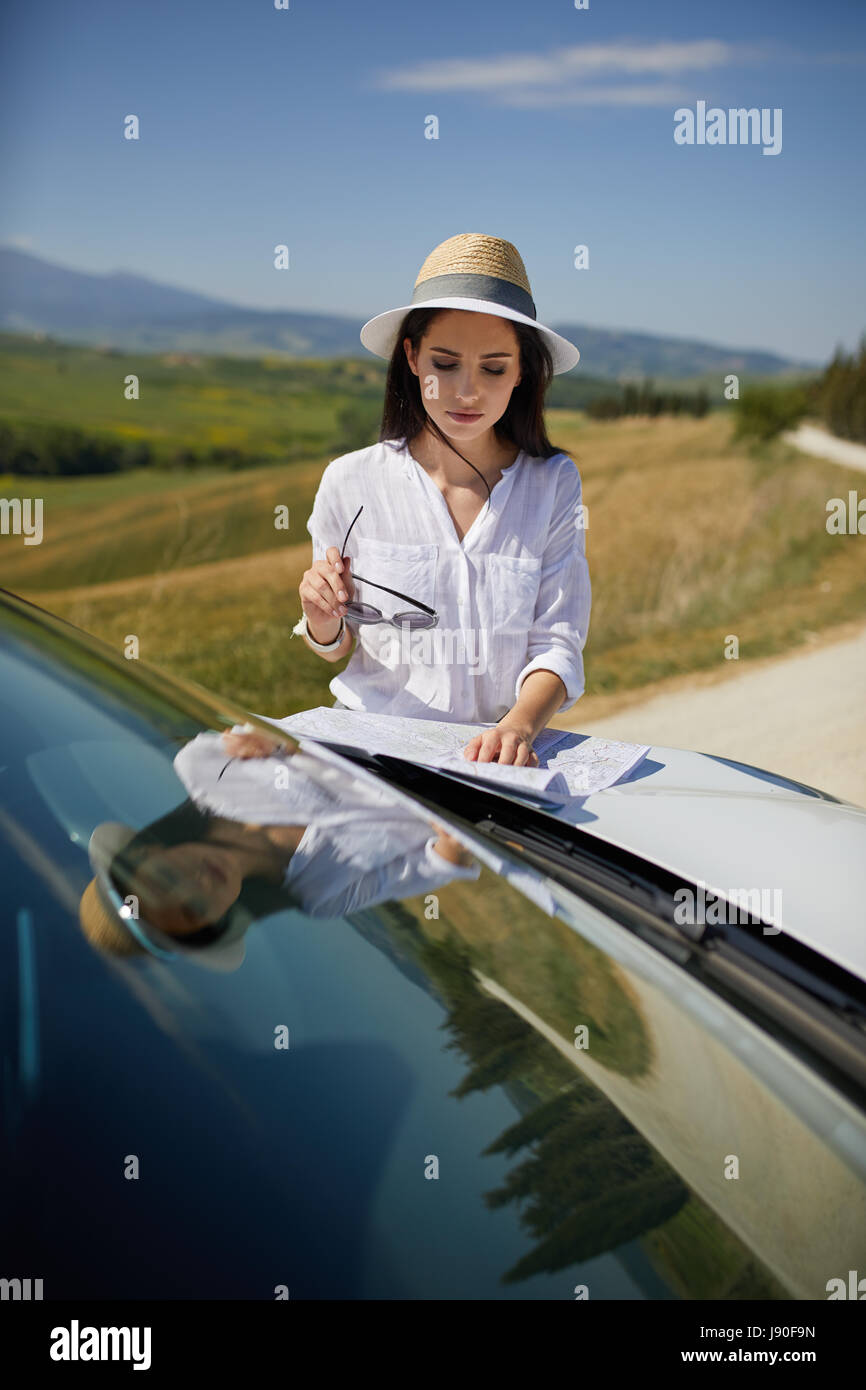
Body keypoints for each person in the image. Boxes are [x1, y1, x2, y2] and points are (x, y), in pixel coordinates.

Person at [294, 232, 591, 768]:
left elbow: (557, 643)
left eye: (494, 368)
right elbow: (336, 643)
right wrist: (321, 617)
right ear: (412, 356)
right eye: (445, 363)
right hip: (373, 753)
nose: (467, 391)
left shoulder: (553, 485)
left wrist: (517, 727)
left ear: (522, 369)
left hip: (494, 765)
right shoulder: (349, 481)